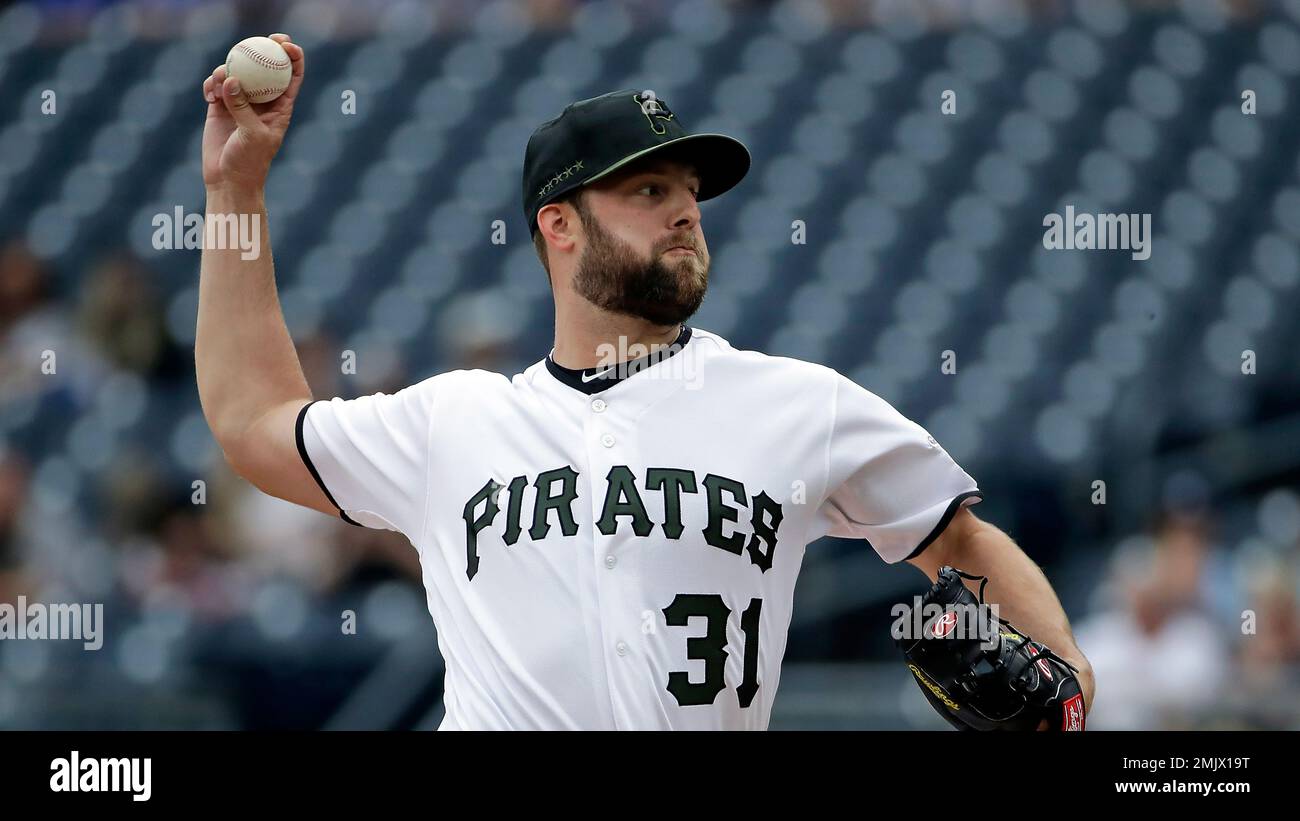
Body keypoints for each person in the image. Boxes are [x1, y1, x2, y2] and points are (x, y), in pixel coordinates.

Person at [195, 34, 1094, 730]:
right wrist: (236, 196)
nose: (686, 211)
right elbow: (254, 418)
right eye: (648, 190)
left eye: (689, 190)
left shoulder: (798, 406)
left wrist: (1072, 694)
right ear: (560, 223)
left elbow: (962, 543)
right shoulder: (454, 421)